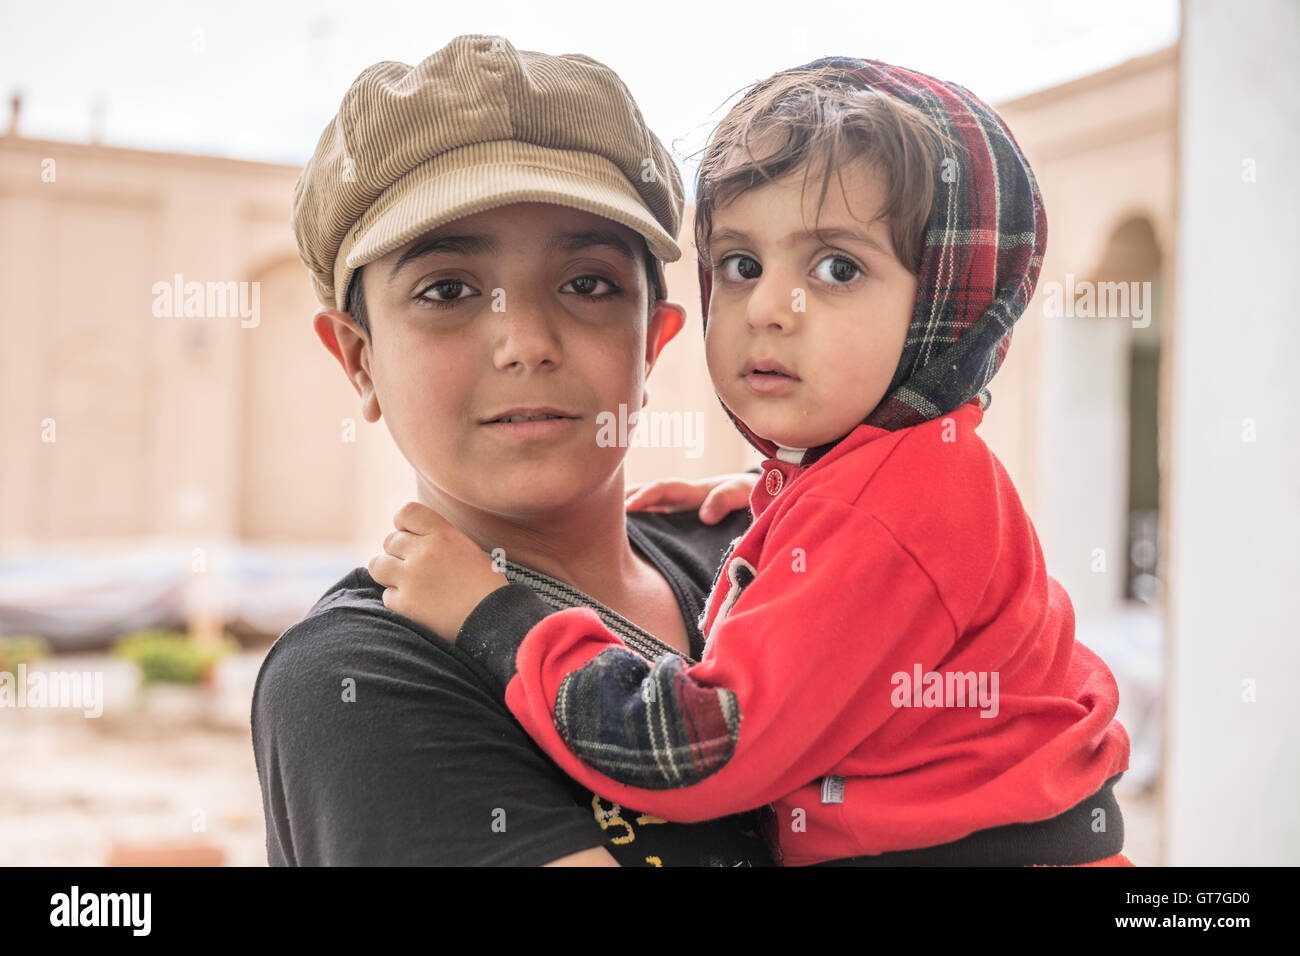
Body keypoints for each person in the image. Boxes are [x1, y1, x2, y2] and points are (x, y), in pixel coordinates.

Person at [371, 57, 1134, 867]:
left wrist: (494, 618)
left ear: (948, 307)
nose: (770, 309)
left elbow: (695, 748)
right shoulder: (908, 484)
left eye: (837, 269)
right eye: (740, 266)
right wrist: (783, 505)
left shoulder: (880, 517)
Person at [251, 34, 774, 866]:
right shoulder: (362, 681)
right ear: (360, 358)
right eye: (448, 290)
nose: (525, 342)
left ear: (653, 344)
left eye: (588, 284)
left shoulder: (764, 563)